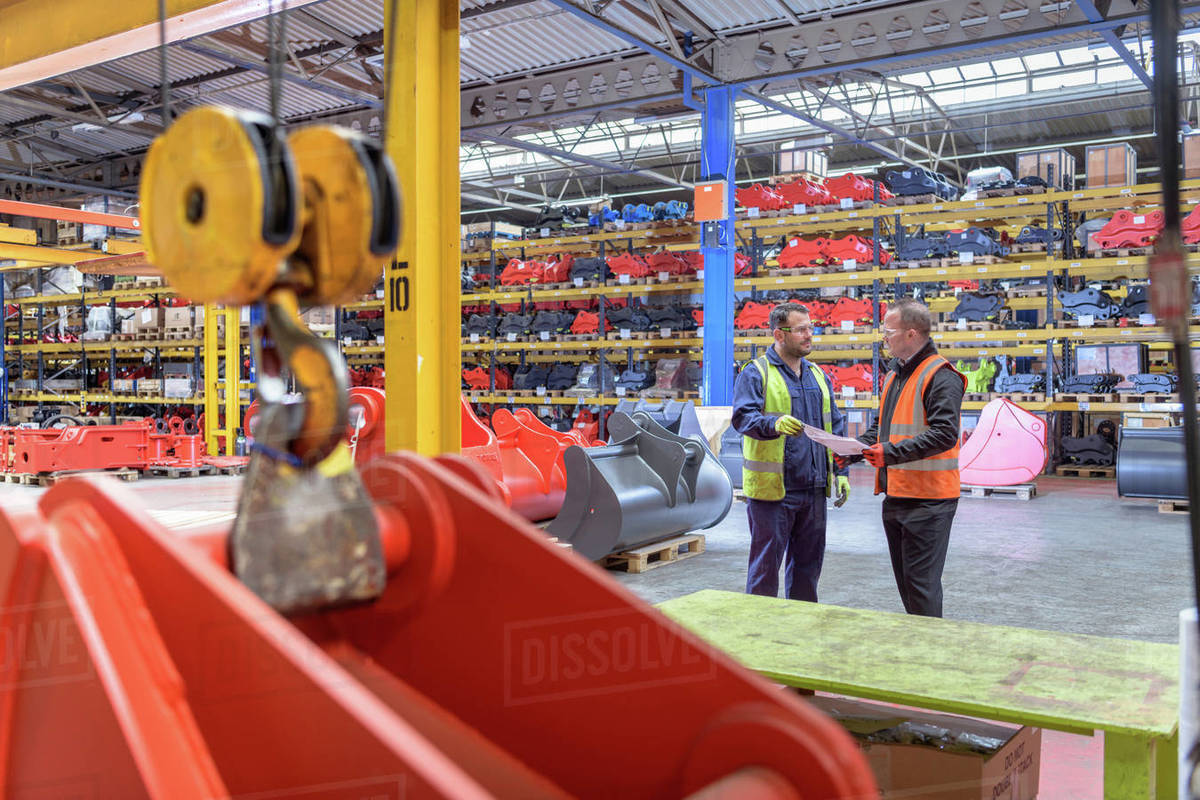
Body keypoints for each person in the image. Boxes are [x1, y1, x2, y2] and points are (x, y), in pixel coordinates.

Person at [731, 302, 851, 602]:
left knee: (808, 572)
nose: (809, 335)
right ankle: (761, 635)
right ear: (779, 334)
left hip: (813, 490)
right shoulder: (756, 373)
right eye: (801, 330)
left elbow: (834, 425)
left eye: (811, 328)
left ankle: (801, 629)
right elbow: (742, 417)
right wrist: (773, 423)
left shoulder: (817, 375)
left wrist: (842, 470)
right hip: (774, 493)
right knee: (765, 571)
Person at [857, 298, 966, 618]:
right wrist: (852, 450)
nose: (884, 338)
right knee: (908, 584)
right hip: (898, 494)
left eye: (888, 332)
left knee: (921, 585)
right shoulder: (895, 375)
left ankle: (930, 653)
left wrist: (889, 453)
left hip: (930, 499)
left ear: (911, 334)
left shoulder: (940, 375)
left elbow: (945, 434)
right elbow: (882, 429)